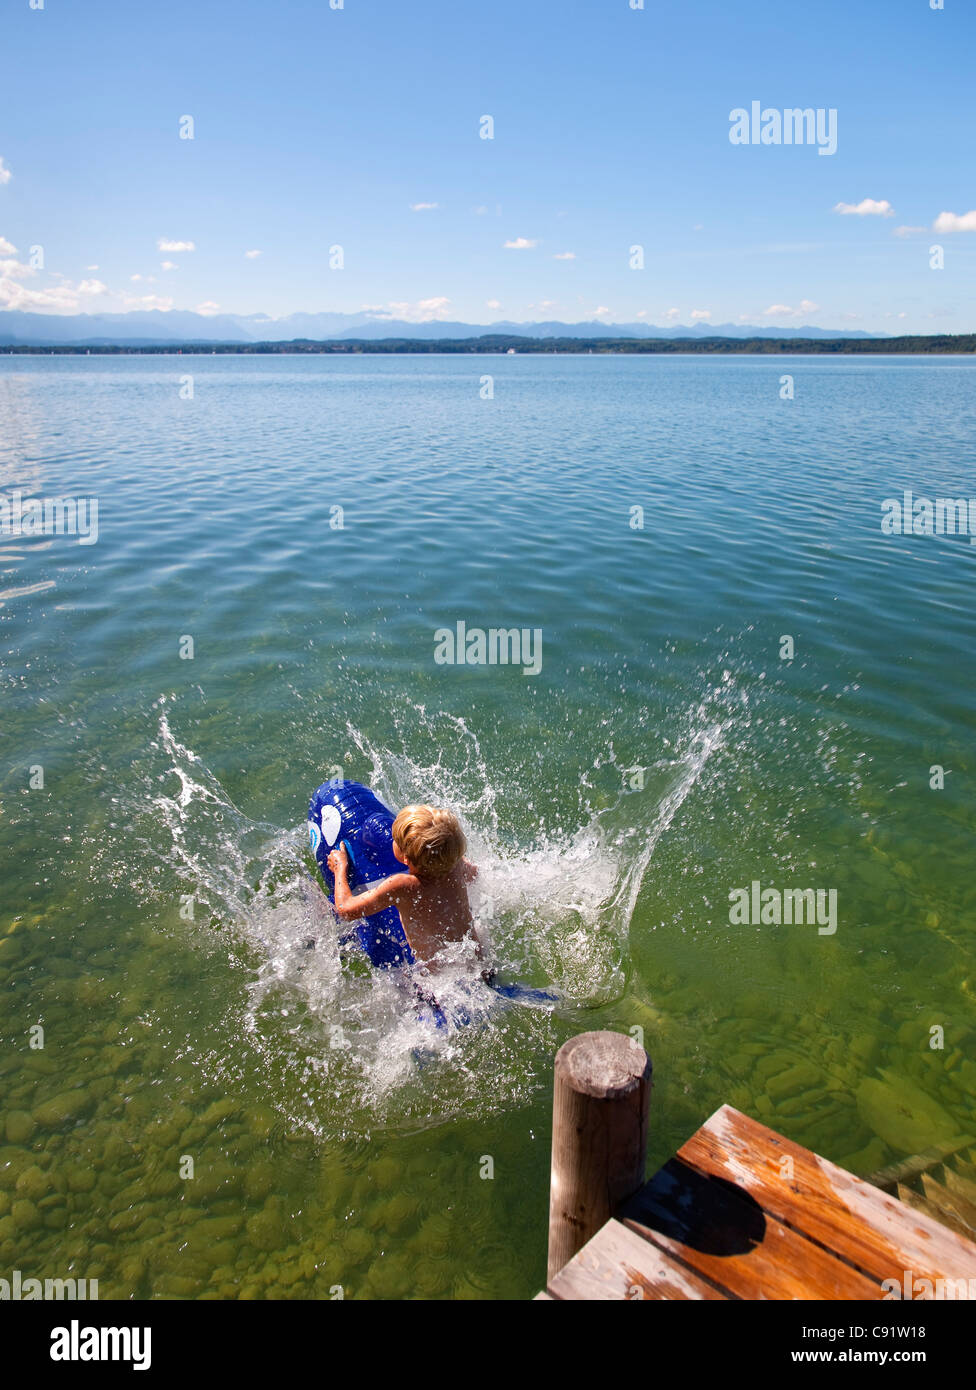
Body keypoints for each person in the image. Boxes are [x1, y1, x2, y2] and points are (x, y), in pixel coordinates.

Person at [327, 804, 481, 976]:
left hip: (437, 981)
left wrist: (340, 868)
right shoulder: (456, 864)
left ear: (405, 858)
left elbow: (346, 910)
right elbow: (474, 875)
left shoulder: (403, 886)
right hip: (480, 966)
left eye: (395, 840)